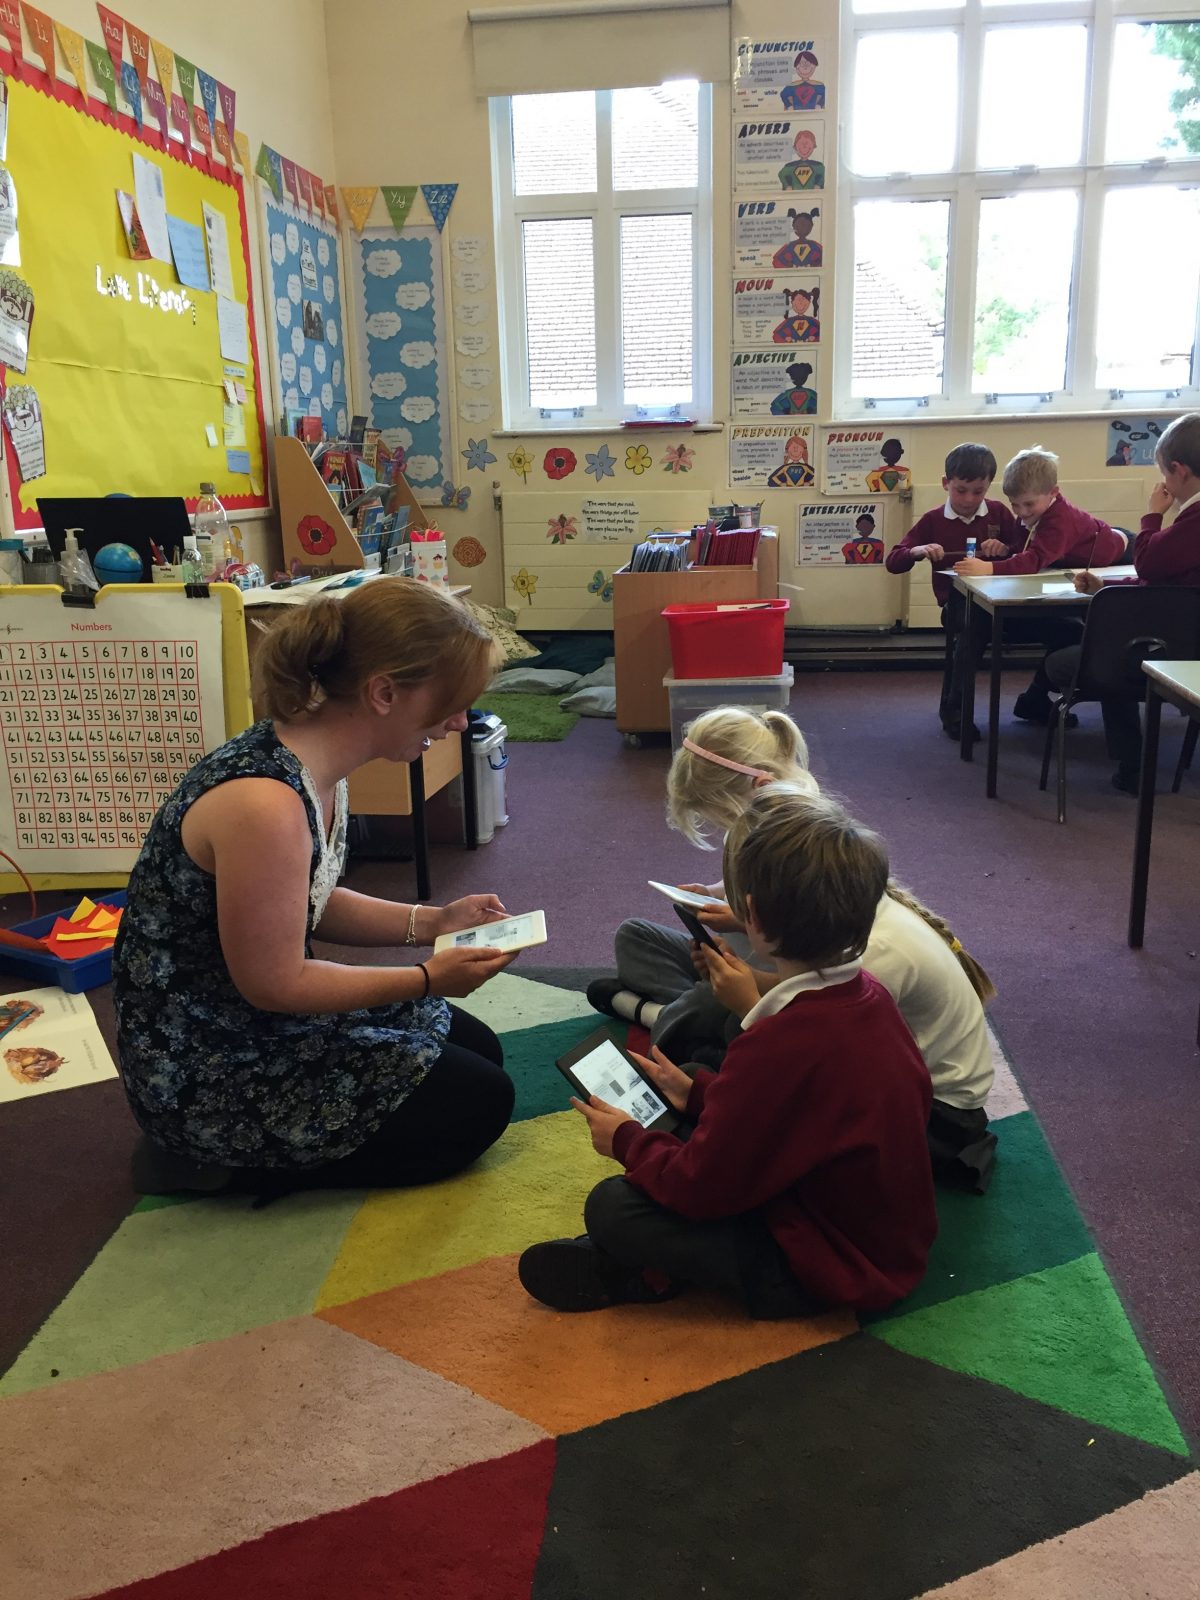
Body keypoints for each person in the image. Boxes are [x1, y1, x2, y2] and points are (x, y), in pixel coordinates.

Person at [113, 578, 519, 1197]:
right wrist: (429, 977)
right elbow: (276, 982)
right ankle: (208, 1159)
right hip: (206, 1062)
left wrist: (432, 922)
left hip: (247, 1020)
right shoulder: (265, 804)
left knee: (478, 1049)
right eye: (451, 703)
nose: (460, 722)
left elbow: (310, 898)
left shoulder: (313, 764)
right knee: (478, 1103)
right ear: (383, 693)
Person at [518, 789, 938, 1316]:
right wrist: (700, 1095)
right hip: (879, 1233)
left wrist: (625, 1140)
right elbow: (805, 1112)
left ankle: (639, 1268)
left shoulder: (777, 1044)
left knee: (614, 1206)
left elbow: (700, 1188)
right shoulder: (870, 997)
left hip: (829, 1264)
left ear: (752, 916)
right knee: (694, 1076)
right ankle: (636, 1260)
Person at [588, 715, 999, 1186]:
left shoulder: (872, 954)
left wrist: (743, 999)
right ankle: (668, 1012)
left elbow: (806, 1051)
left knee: (711, 1042)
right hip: (852, 1057)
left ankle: (655, 1012)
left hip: (928, 1117)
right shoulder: (834, 894)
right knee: (670, 975)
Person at [1045, 411, 1200, 794]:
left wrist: (1152, 515)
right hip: (1187, 643)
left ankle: (1134, 767)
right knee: (1119, 643)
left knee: (1100, 656)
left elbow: (1148, 560)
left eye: (1164, 473)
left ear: (1179, 470)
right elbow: (1165, 579)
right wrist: (1109, 588)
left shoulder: (1192, 520)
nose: (1163, 483)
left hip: (1170, 652)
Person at [952, 447, 1128, 725]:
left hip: (1117, 552)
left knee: (1086, 626)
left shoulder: (1060, 519)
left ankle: (1037, 697)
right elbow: (1023, 548)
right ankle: (1035, 699)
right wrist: (1005, 548)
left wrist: (989, 568)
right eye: (1015, 505)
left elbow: (1033, 559)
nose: (1021, 513)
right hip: (1072, 558)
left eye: (1028, 505)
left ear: (1053, 493)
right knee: (1070, 630)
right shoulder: (1032, 513)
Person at [885, 442, 1020, 741]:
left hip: (1003, 602)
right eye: (961, 490)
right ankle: (956, 711)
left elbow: (1027, 553)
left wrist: (1007, 549)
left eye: (978, 492)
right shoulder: (933, 520)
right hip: (959, 606)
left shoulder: (999, 513)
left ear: (988, 487)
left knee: (1065, 630)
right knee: (974, 630)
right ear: (946, 484)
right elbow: (893, 562)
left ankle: (1034, 701)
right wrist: (917, 550)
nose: (970, 499)